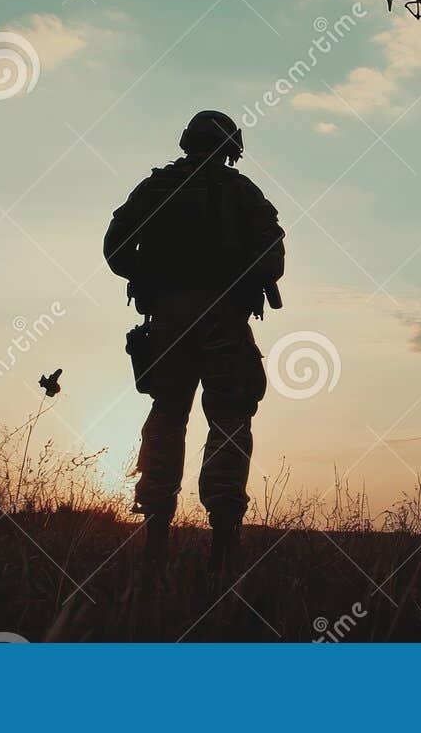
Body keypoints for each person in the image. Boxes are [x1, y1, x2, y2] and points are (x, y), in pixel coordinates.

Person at [103, 111, 285, 574]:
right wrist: (238, 280)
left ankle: (155, 543)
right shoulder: (243, 193)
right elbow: (273, 257)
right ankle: (224, 545)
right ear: (230, 148)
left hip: (168, 324)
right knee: (229, 424)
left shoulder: (157, 188)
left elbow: (116, 247)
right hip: (224, 322)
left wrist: (156, 279)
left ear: (187, 142)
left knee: (166, 417)